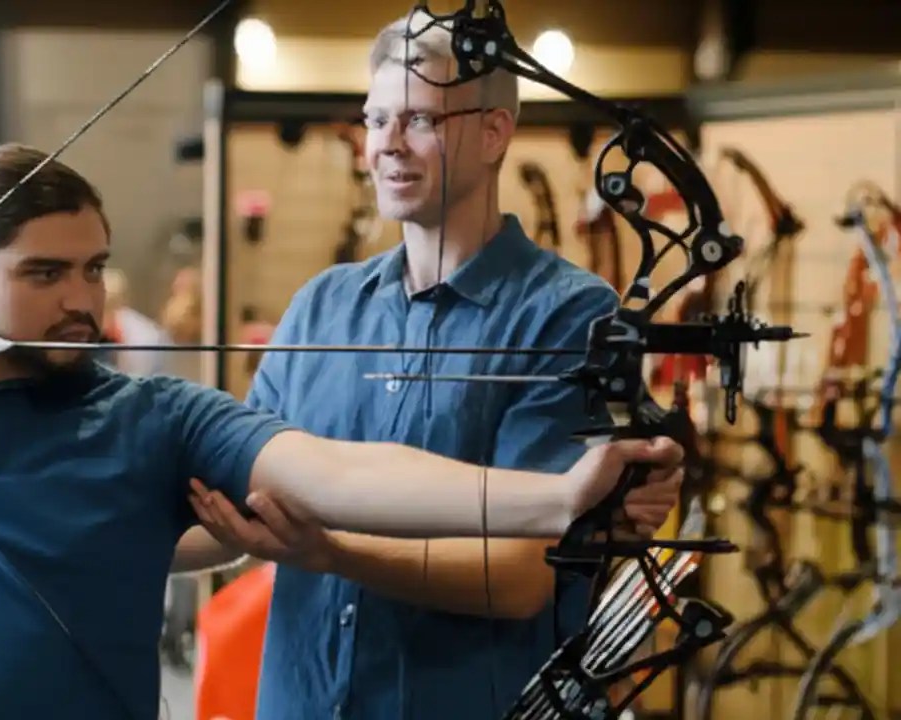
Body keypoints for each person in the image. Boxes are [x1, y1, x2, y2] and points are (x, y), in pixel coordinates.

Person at [0, 143, 683, 720]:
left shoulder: (154, 414)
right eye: (44, 274)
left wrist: (555, 498)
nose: (81, 300)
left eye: (92, 268)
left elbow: (334, 470)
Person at [182, 15, 683, 720]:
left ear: (494, 132)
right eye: (376, 117)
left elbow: (519, 577)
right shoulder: (322, 308)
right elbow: (231, 505)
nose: (385, 143)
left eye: (418, 118)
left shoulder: (571, 316)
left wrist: (331, 550)